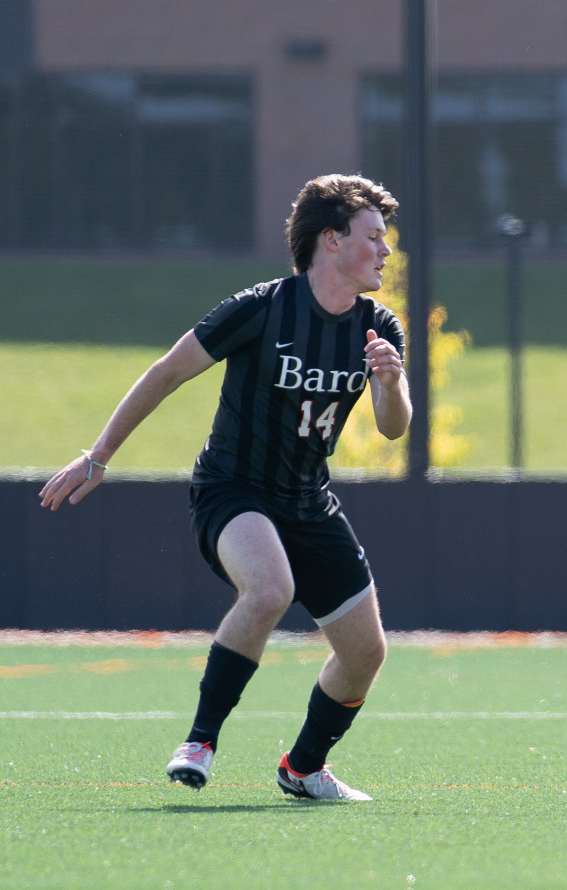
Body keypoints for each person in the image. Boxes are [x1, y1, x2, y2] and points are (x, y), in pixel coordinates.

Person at [38, 174, 413, 800]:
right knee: (269, 588)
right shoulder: (262, 307)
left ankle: (303, 768)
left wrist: (391, 380)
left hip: (307, 502)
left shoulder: (379, 327)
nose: (385, 251)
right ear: (331, 240)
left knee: (366, 654)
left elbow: (395, 429)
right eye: (374, 237)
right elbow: (167, 372)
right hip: (232, 490)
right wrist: (98, 456)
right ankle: (200, 741)